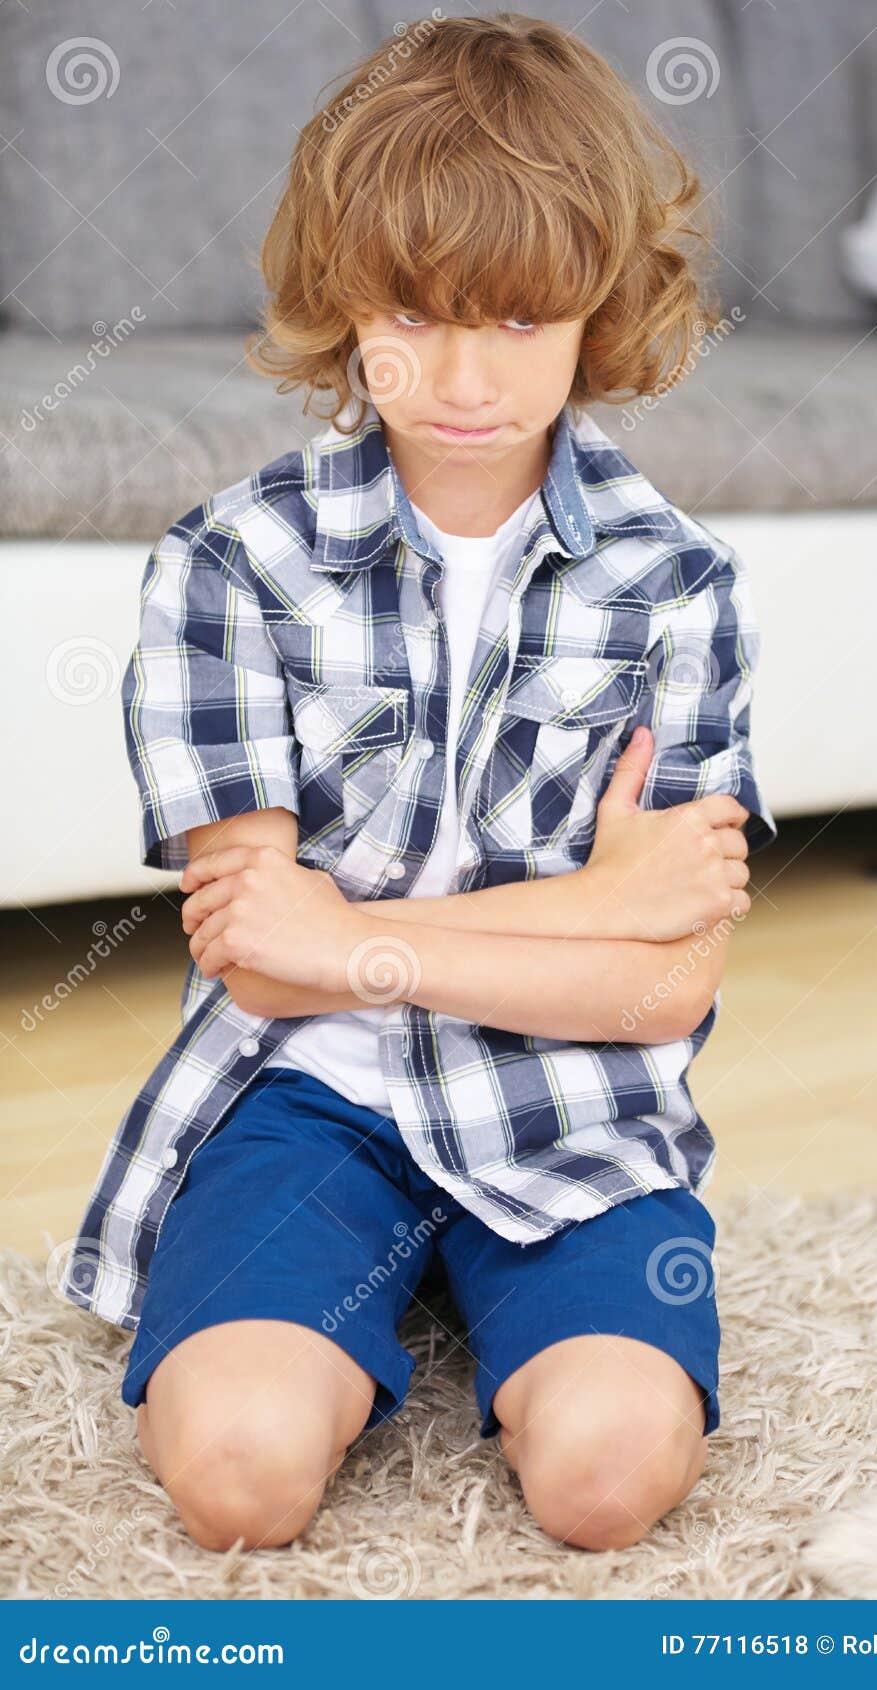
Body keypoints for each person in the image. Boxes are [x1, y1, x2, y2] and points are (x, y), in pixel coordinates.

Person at [61, 12, 777, 1555]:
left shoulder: (677, 585)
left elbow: (664, 993)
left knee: (608, 1481)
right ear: (344, 300)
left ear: (598, 315)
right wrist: (593, 903)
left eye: (520, 322)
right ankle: (378, 1278)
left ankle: (492, 1291)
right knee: (236, 1477)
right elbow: (257, 952)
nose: (461, 375)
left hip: (571, 1098)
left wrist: (350, 941)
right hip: (311, 1096)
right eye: (415, 314)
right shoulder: (229, 563)